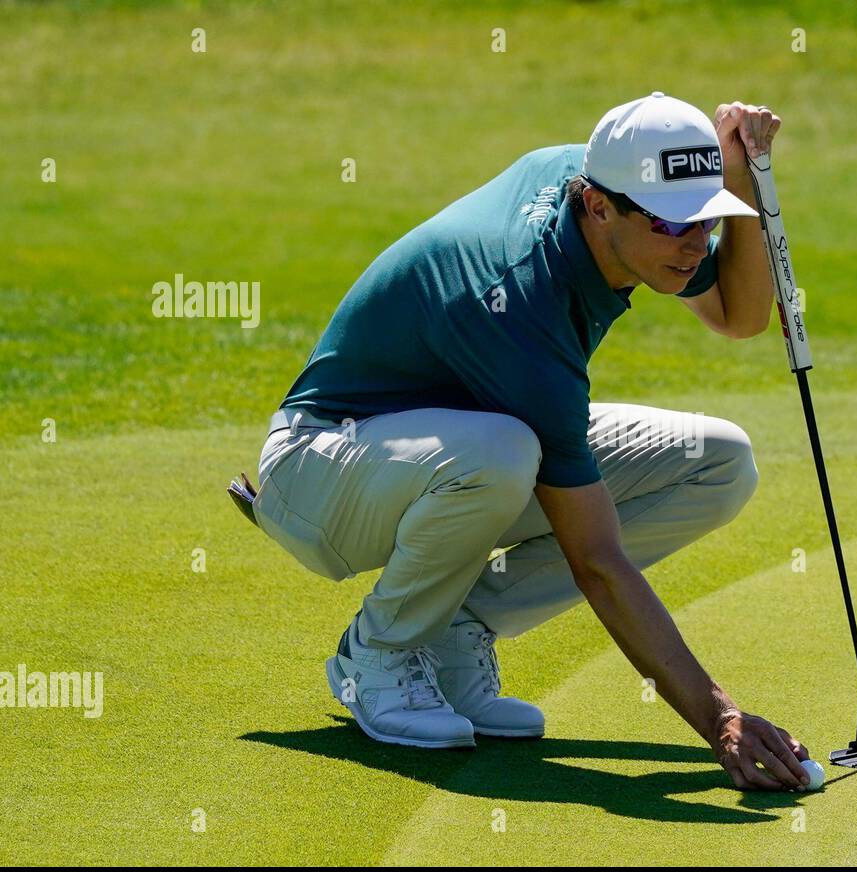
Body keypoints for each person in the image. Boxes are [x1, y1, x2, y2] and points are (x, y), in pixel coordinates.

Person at [246, 92, 811, 791]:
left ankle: (455, 626)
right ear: (600, 207)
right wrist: (719, 717)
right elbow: (597, 559)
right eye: (674, 223)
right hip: (320, 473)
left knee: (720, 462)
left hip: (447, 447)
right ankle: (381, 651)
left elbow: (739, 313)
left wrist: (746, 176)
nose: (696, 244)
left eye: (708, 218)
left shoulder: (614, 192)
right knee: (504, 453)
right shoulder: (522, 298)